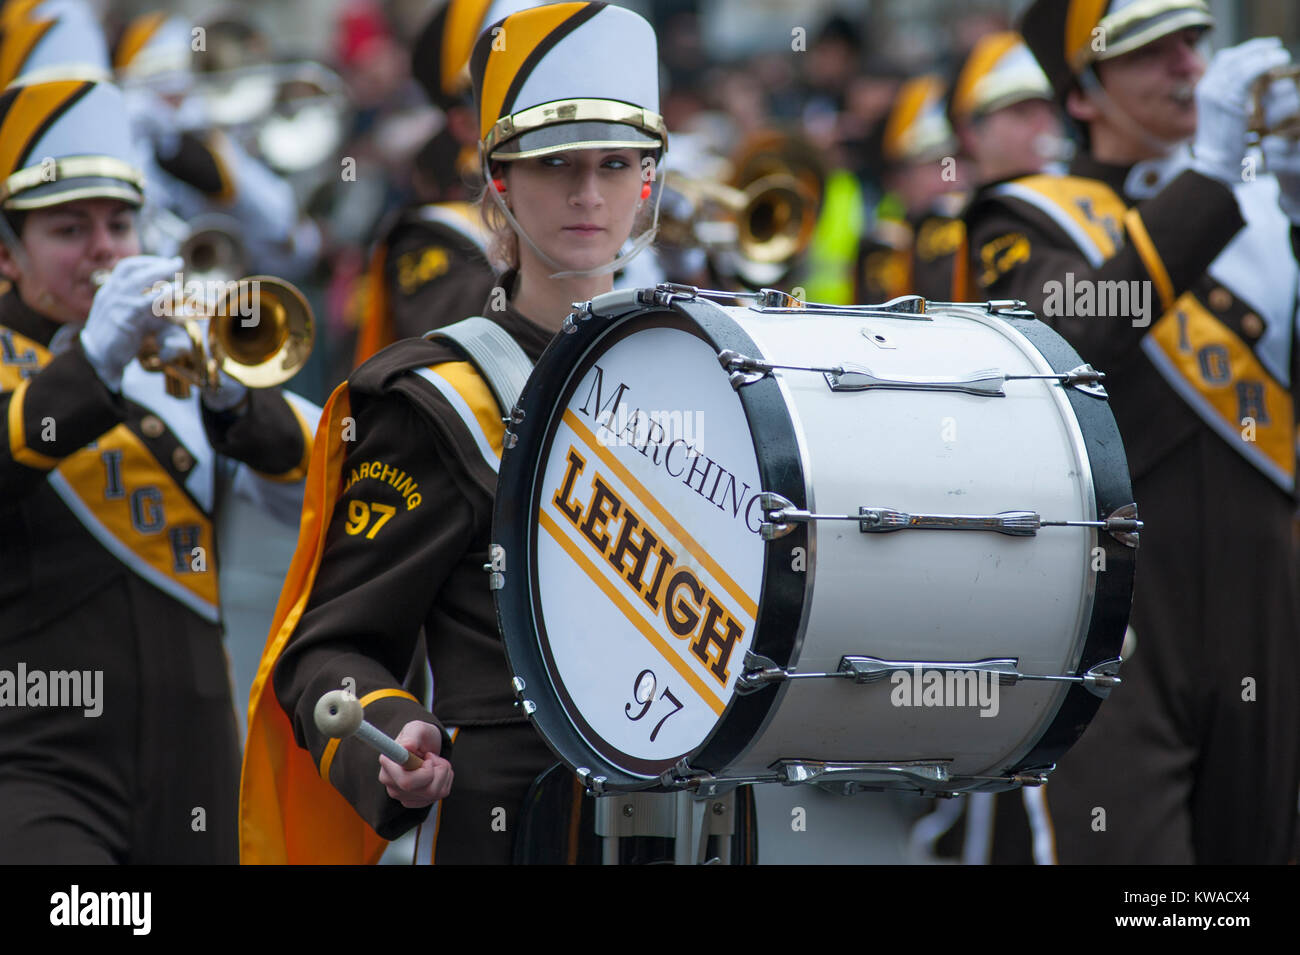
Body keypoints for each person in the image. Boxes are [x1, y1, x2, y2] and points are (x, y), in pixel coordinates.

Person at [241, 0, 668, 865]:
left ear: (648, 182)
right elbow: (331, 647)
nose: (589, 194)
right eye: (555, 164)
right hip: (512, 828)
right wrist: (396, 731)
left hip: (695, 823)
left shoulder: (713, 378)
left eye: (615, 164)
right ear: (500, 181)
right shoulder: (434, 399)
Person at [964, 0, 1300, 864]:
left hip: (1264, 595)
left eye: (1193, 41)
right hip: (1118, 604)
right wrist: (1216, 176)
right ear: (1083, 94)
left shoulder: (1261, 205)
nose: (1189, 67)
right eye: (1152, 52)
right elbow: (1080, 334)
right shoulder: (1021, 217)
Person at [0, 76, 316, 863]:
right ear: (7, 252)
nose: (104, 248)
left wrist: (226, 392)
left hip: (198, 762)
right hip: (38, 761)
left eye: (120, 222)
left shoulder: (166, 360)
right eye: (68, 229)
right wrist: (96, 367)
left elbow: (312, 486)